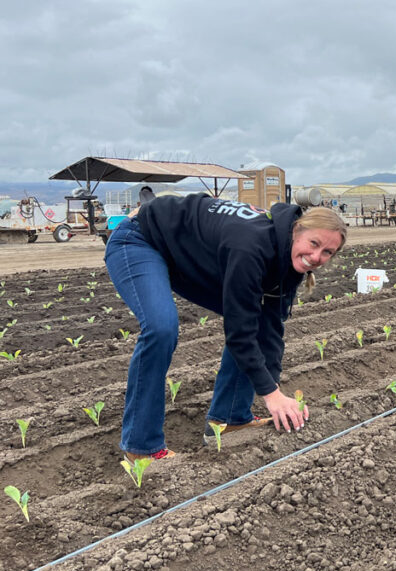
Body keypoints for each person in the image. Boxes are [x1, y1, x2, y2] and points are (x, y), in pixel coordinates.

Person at [104, 195, 346, 462]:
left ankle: (230, 419)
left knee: (253, 319)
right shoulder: (251, 246)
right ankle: (141, 446)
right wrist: (270, 395)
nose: (316, 257)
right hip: (140, 239)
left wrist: (274, 386)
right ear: (296, 230)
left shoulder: (287, 263)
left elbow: (272, 329)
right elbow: (239, 332)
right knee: (161, 328)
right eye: (314, 244)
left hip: (184, 252)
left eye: (327, 252)